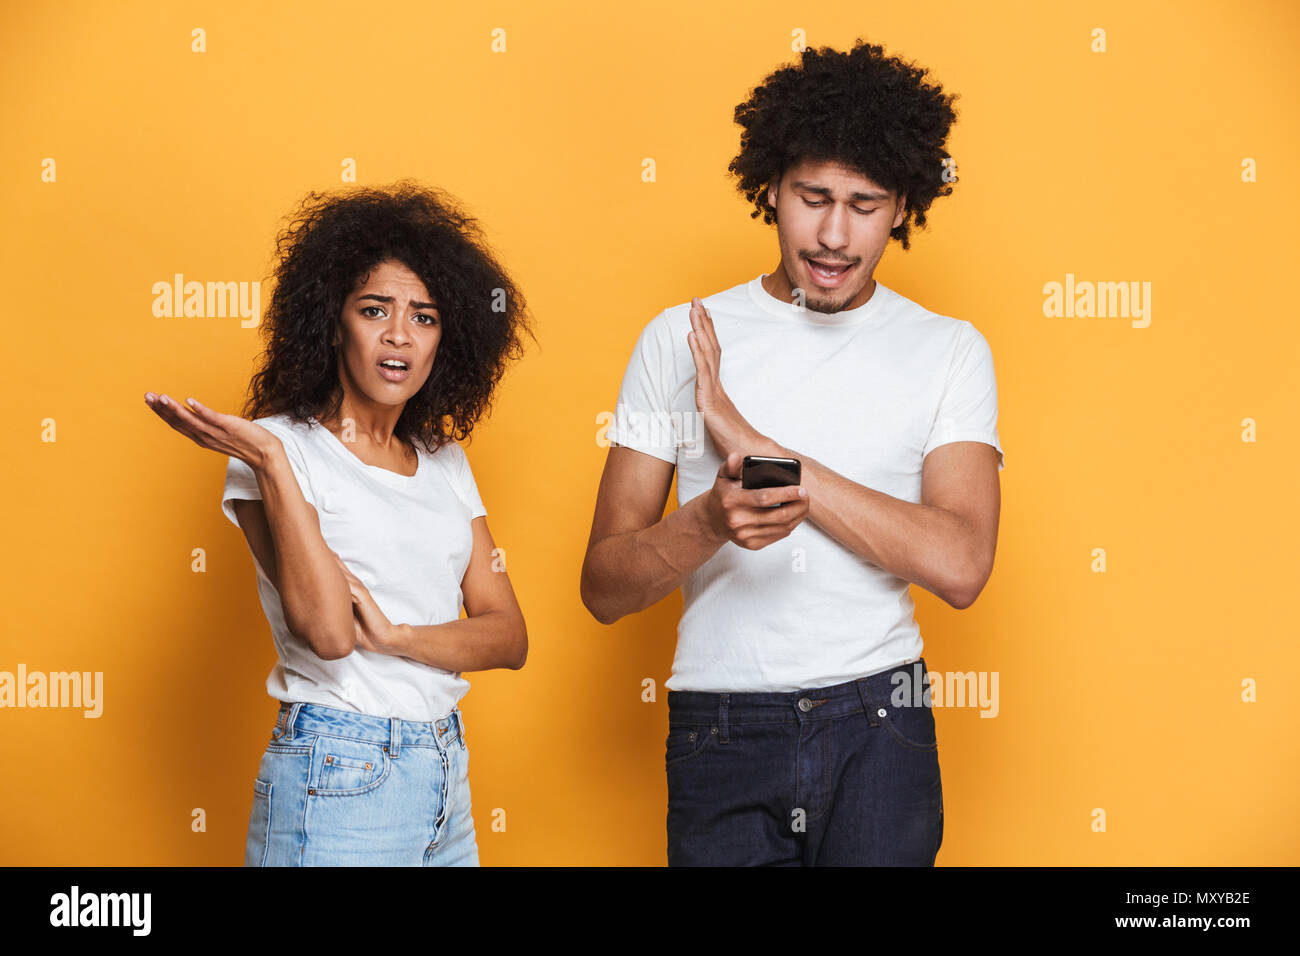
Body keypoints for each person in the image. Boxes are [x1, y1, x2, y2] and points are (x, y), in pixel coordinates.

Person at [581, 40, 1004, 866]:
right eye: (813, 198)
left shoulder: (950, 350)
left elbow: (959, 564)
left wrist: (769, 455)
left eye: (865, 204)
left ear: (903, 207)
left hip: (881, 724)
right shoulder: (681, 339)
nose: (835, 235)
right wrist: (705, 520)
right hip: (721, 726)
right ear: (769, 186)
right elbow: (602, 587)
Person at [146, 181, 531, 866]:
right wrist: (269, 458)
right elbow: (325, 631)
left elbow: (507, 634)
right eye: (375, 310)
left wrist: (399, 634)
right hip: (337, 772)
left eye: (425, 317)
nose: (398, 336)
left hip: (444, 773)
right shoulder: (278, 450)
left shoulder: (445, 463)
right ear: (332, 321)